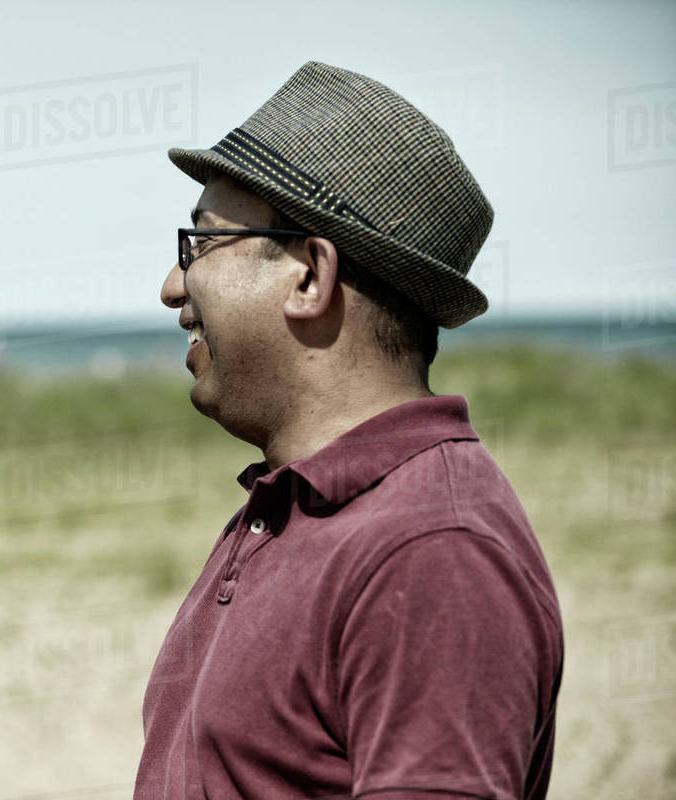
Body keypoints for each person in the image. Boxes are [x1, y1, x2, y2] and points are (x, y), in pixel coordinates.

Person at [135, 62, 563, 799]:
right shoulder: (287, 508)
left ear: (309, 275)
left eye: (200, 244)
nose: (173, 285)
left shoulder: (432, 551)